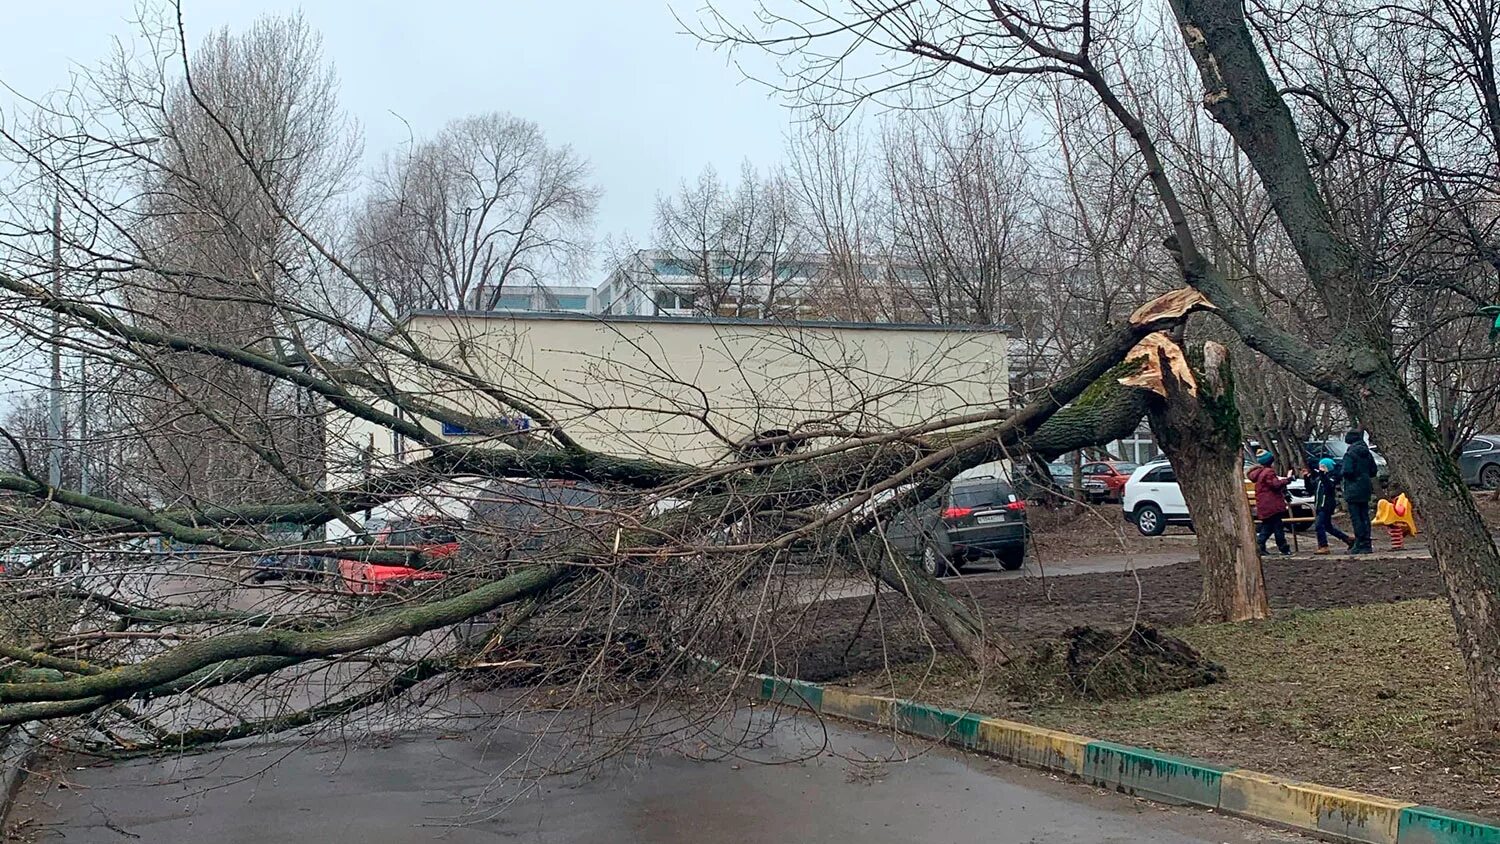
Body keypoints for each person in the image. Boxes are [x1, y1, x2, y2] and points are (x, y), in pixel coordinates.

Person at [1248, 449, 1294, 556]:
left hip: (1264, 505)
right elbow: (1275, 484)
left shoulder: (1259, 474)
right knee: (1278, 527)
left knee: (1267, 527)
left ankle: (1260, 545)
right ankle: (1283, 548)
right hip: (1272, 505)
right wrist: (1287, 479)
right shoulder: (1269, 472)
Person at [1341, 429, 1379, 554]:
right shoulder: (1367, 453)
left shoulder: (1350, 454)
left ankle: (1359, 543)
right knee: (1365, 516)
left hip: (1353, 488)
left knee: (1356, 517)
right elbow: (1373, 470)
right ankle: (1367, 543)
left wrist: (1350, 479)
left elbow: (1346, 471)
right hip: (1365, 487)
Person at [1308, 457, 1352, 554]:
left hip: (1327, 505)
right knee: (1328, 526)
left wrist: (1323, 475)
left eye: (1323, 466)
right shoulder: (1319, 478)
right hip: (1319, 505)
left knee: (1319, 525)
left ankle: (1323, 546)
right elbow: (1311, 490)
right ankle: (1347, 539)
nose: (1320, 468)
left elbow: (1328, 487)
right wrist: (1307, 478)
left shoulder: (1332, 477)